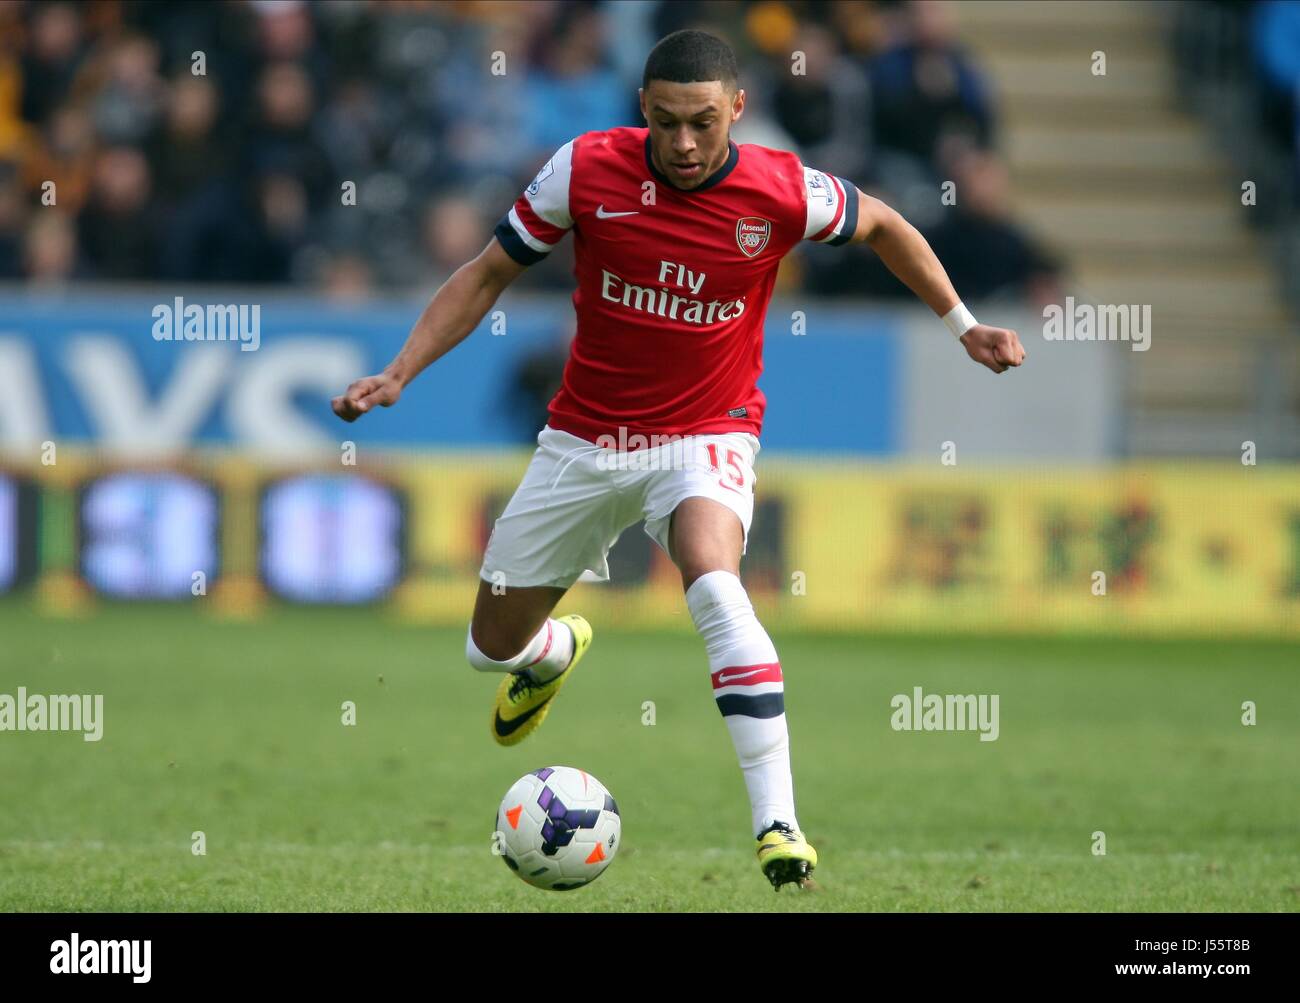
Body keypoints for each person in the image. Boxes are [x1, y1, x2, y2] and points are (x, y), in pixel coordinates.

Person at [332, 29, 1025, 890]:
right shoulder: (583, 171)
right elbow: (484, 274)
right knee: (487, 646)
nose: (686, 144)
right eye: (667, 123)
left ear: (737, 108)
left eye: (703, 122)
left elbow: (884, 223)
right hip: (583, 438)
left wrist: (964, 325)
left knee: (714, 579)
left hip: (706, 432)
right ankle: (550, 653)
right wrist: (400, 371)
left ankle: (778, 824)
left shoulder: (781, 189)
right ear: (643, 112)